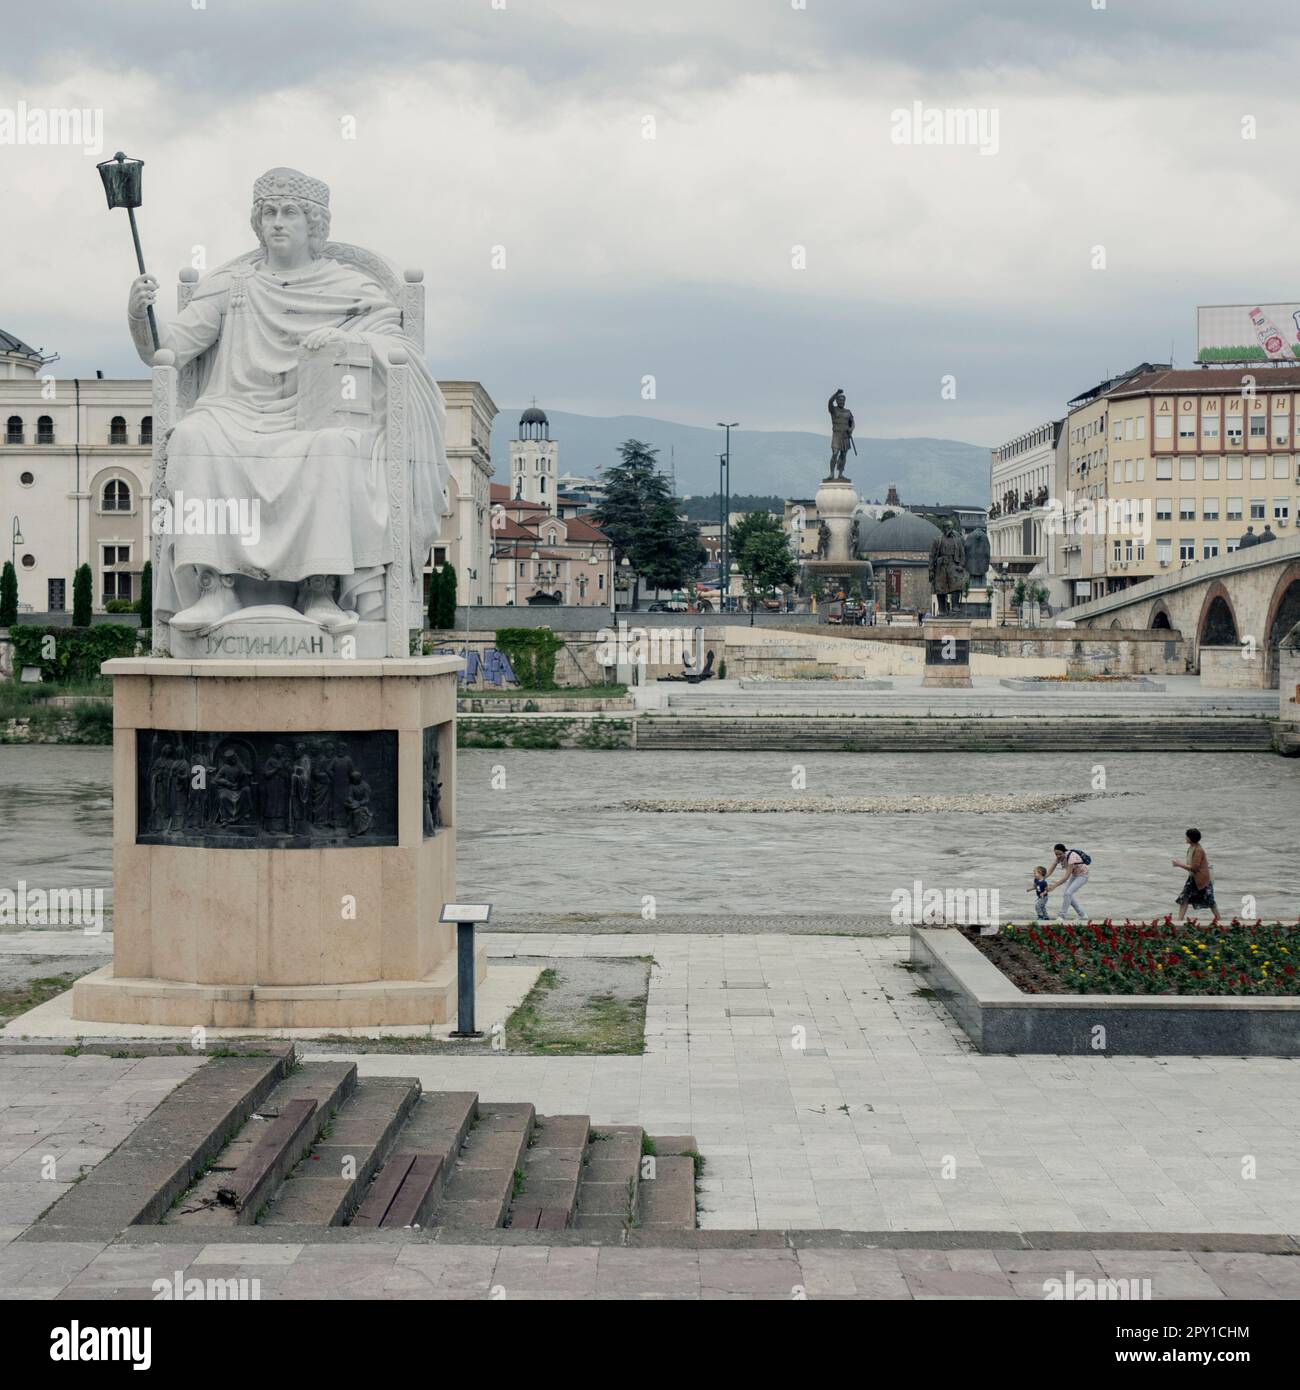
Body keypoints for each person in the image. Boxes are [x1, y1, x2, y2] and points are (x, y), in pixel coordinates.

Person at [1173, 828, 1220, 924]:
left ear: (1191, 838)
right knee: (1184, 898)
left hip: (1202, 880)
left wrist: (1179, 864)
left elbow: (1194, 867)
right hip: (1193, 879)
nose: (1185, 837)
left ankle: (1220, 920)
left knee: (1210, 901)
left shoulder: (1198, 850)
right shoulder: (1191, 848)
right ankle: (1179, 920)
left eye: (1187, 836)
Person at [1046, 842, 1089, 921]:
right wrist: (1043, 878)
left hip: (1083, 875)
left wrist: (1054, 886)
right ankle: (1083, 915)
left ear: (1064, 852)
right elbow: (1050, 870)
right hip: (1075, 875)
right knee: (1067, 894)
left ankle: (1061, 916)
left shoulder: (1071, 857)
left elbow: (1066, 877)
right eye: (1056, 854)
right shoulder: (1058, 858)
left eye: (1060, 854)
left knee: (1068, 893)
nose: (1058, 856)